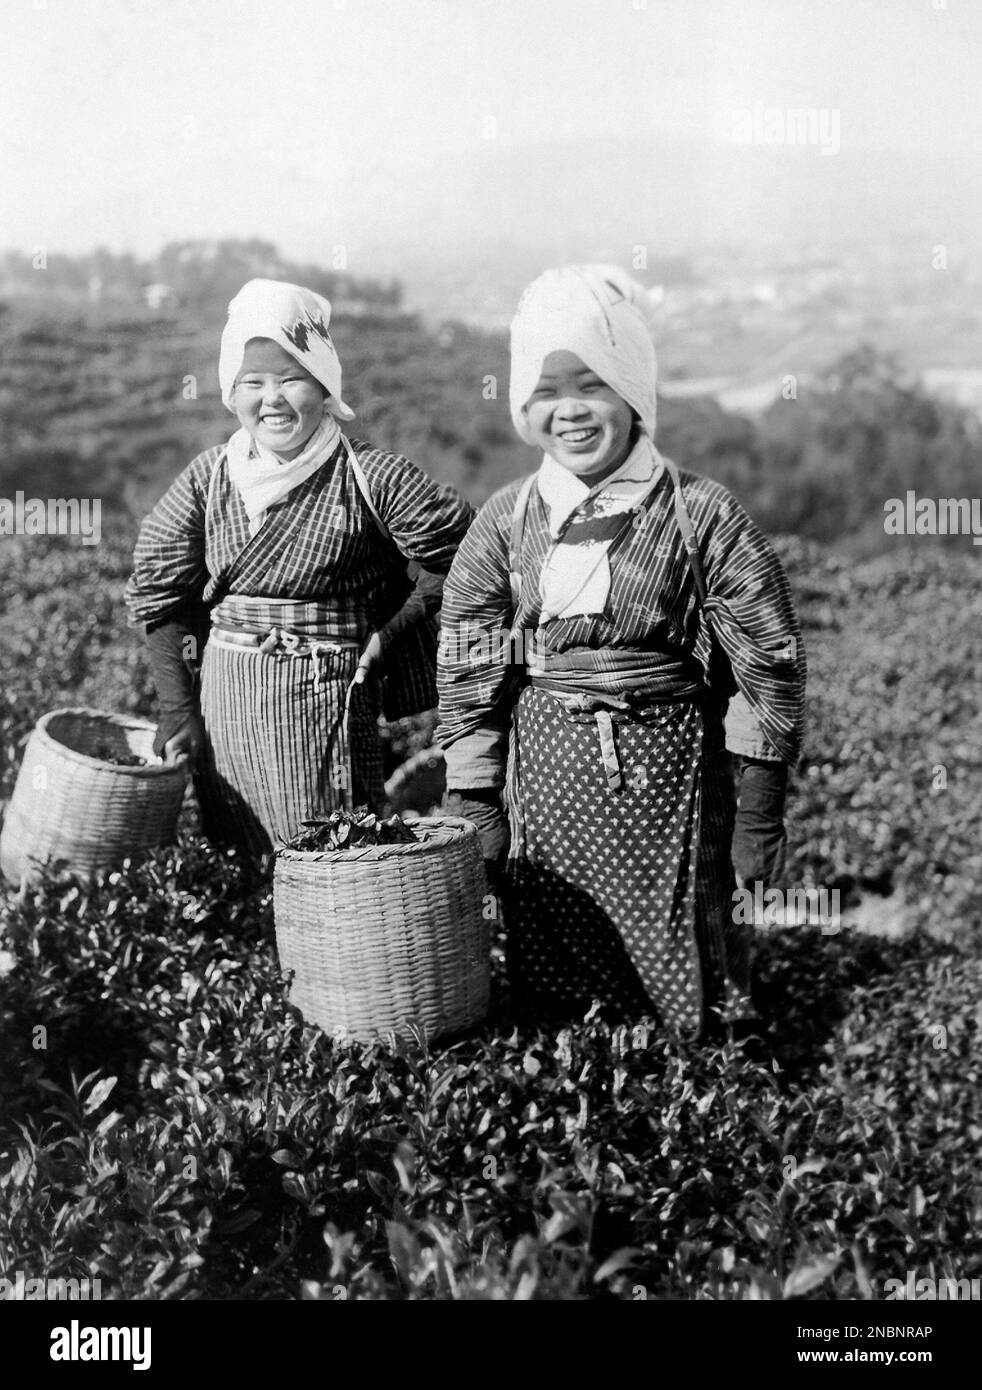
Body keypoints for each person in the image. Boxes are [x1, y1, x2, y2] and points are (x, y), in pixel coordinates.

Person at [437, 265, 805, 1035]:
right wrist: (475, 801)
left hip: (673, 782)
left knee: (689, 964)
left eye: (591, 385)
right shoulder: (505, 522)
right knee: (553, 972)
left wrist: (759, 815)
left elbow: (765, 664)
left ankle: (695, 1110)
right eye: (545, 391)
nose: (568, 411)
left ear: (632, 392)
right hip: (548, 783)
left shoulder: (700, 514)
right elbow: (471, 667)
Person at [126, 278, 474, 860]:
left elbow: (465, 555)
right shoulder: (209, 477)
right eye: (253, 383)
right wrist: (177, 709)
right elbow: (164, 596)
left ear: (324, 384)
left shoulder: (370, 474)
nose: (274, 400)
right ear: (230, 391)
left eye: (292, 379)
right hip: (227, 701)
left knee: (339, 863)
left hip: (329, 699)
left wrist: (395, 631)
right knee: (239, 857)